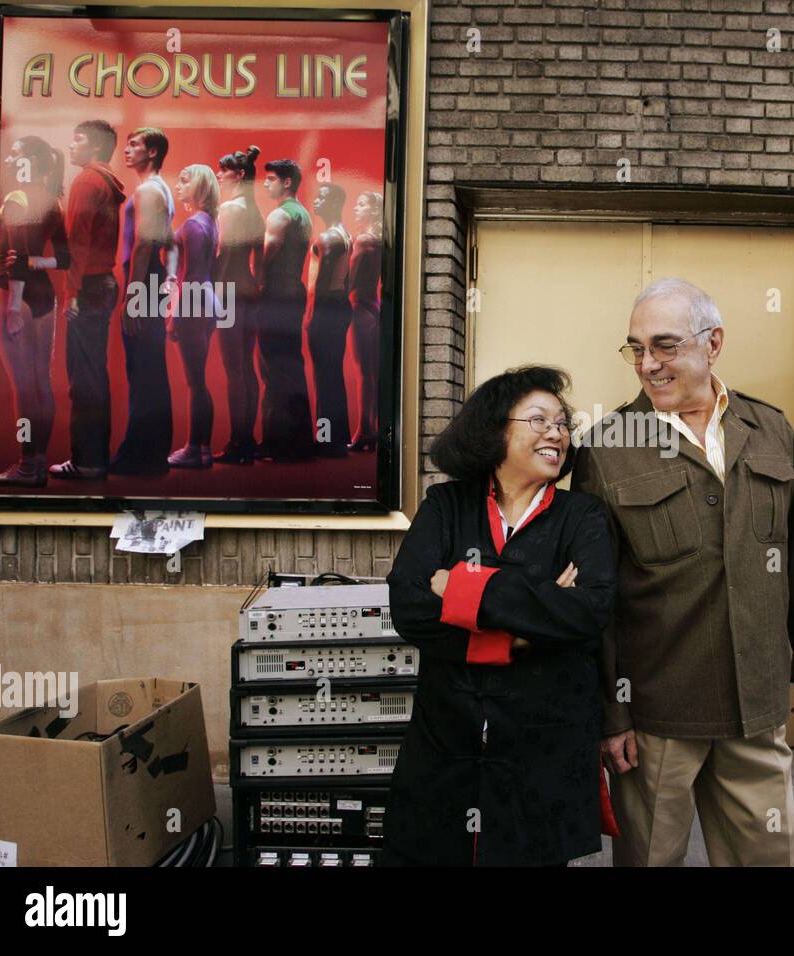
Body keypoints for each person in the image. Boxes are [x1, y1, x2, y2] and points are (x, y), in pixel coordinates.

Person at [573, 277, 794, 867]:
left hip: (755, 705)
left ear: (714, 343)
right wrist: (611, 713)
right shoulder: (605, 449)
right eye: (637, 348)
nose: (649, 364)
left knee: (767, 857)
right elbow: (598, 601)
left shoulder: (771, 429)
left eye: (666, 345)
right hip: (655, 717)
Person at [382, 366, 616, 866]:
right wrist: (520, 636)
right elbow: (409, 604)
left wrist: (463, 587)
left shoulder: (584, 516)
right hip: (447, 739)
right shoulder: (446, 506)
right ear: (493, 430)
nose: (557, 432)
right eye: (539, 419)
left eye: (562, 422)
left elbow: (587, 613)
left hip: (545, 746)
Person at [49, 120, 124, 481]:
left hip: (88, 287)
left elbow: (76, 245)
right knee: (95, 375)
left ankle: (86, 462)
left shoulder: (85, 181)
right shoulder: (107, 181)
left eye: (77, 139)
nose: (70, 146)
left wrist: (71, 294)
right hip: (104, 282)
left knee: (83, 378)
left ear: (94, 145)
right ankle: (95, 458)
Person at [0, 136, 70, 487]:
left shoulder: (16, 197)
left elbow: (18, 261)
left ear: (30, 161)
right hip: (43, 297)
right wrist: (35, 262)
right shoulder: (53, 200)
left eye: (15, 154)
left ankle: (26, 464)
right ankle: (37, 461)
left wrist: (11, 305)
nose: (9, 158)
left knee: (23, 387)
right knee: (41, 382)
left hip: (17, 296)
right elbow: (63, 259)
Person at [110, 126, 174, 475]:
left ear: (152, 152)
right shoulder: (158, 188)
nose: (127, 149)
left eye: (134, 144)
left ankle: (141, 455)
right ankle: (149, 453)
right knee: (149, 369)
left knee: (144, 370)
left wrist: (133, 295)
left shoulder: (150, 190)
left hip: (145, 282)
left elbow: (146, 244)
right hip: (150, 281)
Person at [257, 158, 316, 461]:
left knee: (273, 369)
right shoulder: (303, 214)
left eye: (270, 179)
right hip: (293, 293)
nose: (266, 183)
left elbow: (267, 255)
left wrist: (255, 285)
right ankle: (298, 442)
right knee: (290, 368)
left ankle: (277, 444)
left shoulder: (281, 214)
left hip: (276, 296)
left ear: (287, 182)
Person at [166, 164, 221, 468]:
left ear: (199, 186)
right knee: (198, 380)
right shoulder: (211, 221)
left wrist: (175, 313)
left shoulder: (193, 225)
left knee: (195, 381)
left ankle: (194, 447)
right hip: (207, 303)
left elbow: (193, 276)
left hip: (194, 304)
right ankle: (201, 448)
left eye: (185, 181)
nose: (179, 185)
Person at [213, 146, 264, 465]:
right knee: (247, 367)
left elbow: (225, 255)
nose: (218, 174)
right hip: (249, 291)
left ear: (240, 175)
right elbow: (257, 260)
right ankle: (248, 438)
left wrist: (210, 289)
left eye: (224, 169)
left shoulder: (230, 209)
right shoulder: (254, 209)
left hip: (229, 291)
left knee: (235, 370)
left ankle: (237, 442)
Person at [307, 183, 352, 457]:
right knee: (332, 375)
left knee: (325, 377)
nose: (316, 200)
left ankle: (327, 440)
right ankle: (337, 438)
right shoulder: (344, 235)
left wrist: (310, 317)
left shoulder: (329, 238)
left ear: (334, 202)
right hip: (339, 306)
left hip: (326, 308)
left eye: (322, 197)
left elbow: (321, 284)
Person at [348, 191, 383, 452]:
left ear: (372, 211)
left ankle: (363, 430)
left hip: (359, 307)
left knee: (363, 372)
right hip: (375, 305)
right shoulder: (381, 241)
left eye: (360, 204)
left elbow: (350, 280)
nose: (355, 208)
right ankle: (370, 427)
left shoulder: (363, 240)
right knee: (372, 372)